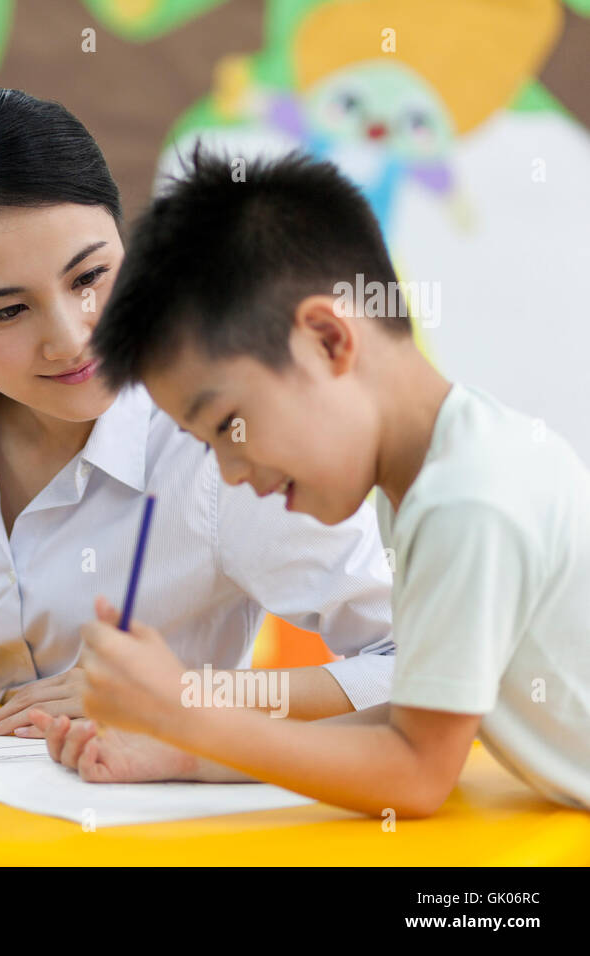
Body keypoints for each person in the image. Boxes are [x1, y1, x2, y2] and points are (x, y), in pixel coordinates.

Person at [0, 89, 397, 777]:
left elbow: (414, 664)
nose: (73, 338)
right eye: (9, 311)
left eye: (90, 276)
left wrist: (176, 698)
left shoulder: (212, 436)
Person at [53, 147, 590, 814]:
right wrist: (191, 753)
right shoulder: (440, 466)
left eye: (228, 424)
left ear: (329, 340)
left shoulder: (468, 499)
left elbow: (417, 774)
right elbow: (411, 724)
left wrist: (188, 714)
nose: (231, 471)